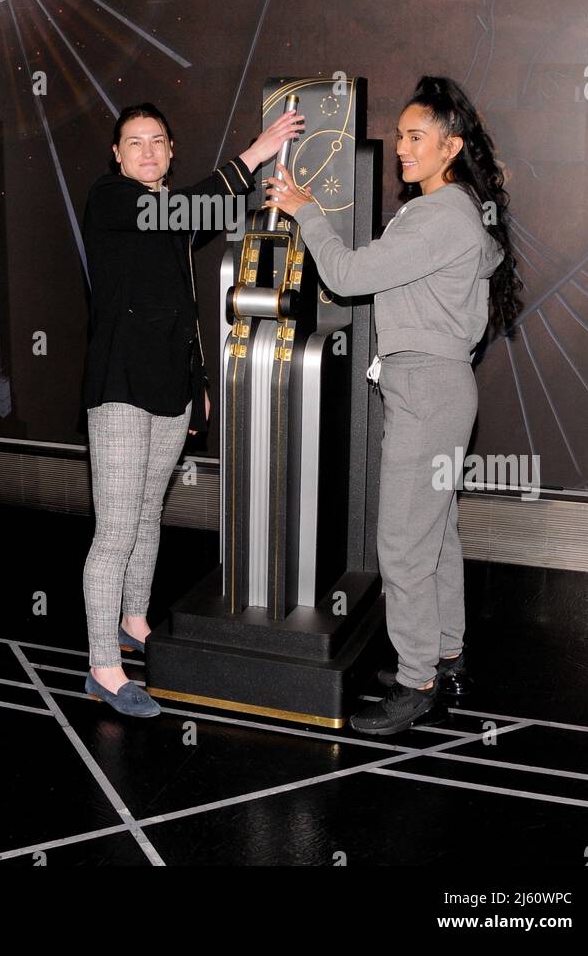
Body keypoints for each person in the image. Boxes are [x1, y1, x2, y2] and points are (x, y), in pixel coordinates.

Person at [264, 75, 521, 736]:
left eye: (415, 138)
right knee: (433, 535)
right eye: (401, 135)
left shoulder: (443, 214)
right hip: (434, 384)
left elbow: (346, 276)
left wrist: (304, 210)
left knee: (403, 545)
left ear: (449, 146)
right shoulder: (453, 207)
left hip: (426, 389)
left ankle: (417, 684)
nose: (401, 148)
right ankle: (443, 653)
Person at [81, 101, 304, 717]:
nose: (147, 151)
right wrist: (254, 153)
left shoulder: (171, 218)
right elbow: (190, 206)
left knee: (148, 517)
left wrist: (199, 379)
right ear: (116, 155)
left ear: (171, 150)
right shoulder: (112, 200)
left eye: (158, 140)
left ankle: (133, 622)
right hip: (121, 389)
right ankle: (104, 665)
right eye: (134, 142)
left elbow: (183, 304)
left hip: (172, 389)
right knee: (116, 531)